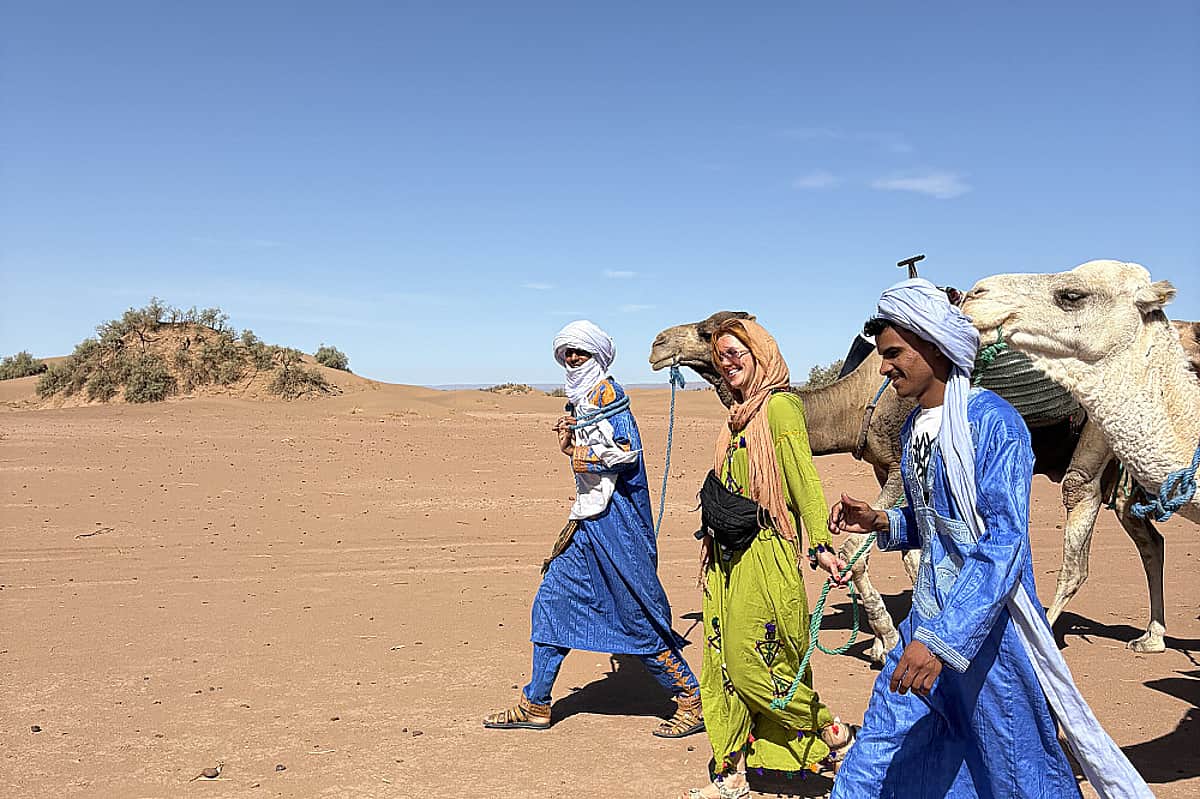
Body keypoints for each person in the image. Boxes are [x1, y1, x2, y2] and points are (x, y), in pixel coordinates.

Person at [827, 279, 1152, 799]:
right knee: (875, 755)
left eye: (893, 354)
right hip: (927, 622)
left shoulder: (994, 424)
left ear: (933, 344)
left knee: (1013, 767)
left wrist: (943, 642)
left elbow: (1003, 542)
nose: (884, 368)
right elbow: (938, 524)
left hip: (987, 637)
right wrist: (883, 522)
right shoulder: (915, 429)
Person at [483, 320, 703, 738]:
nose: (571, 360)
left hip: (617, 527)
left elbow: (626, 453)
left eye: (578, 354)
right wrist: (573, 444)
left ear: (596, 357)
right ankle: (536, 702)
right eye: (567, 354)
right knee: (551, 603)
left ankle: (690, 699)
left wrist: (577, 452)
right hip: (587, 525)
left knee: (637, 617)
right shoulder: (583, 402)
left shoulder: (609, 395)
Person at [680, 318, 855, 799]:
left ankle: (830, 732)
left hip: (766, 550)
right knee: (720, 658)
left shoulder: (779, 409)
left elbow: (802, 476)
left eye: (737, 353)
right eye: (721, 357)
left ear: (760, 354)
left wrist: (819, 543)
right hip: (726, 554)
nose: (729, 363)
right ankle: (733, 771)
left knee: (752, 659)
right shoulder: (736, 414)